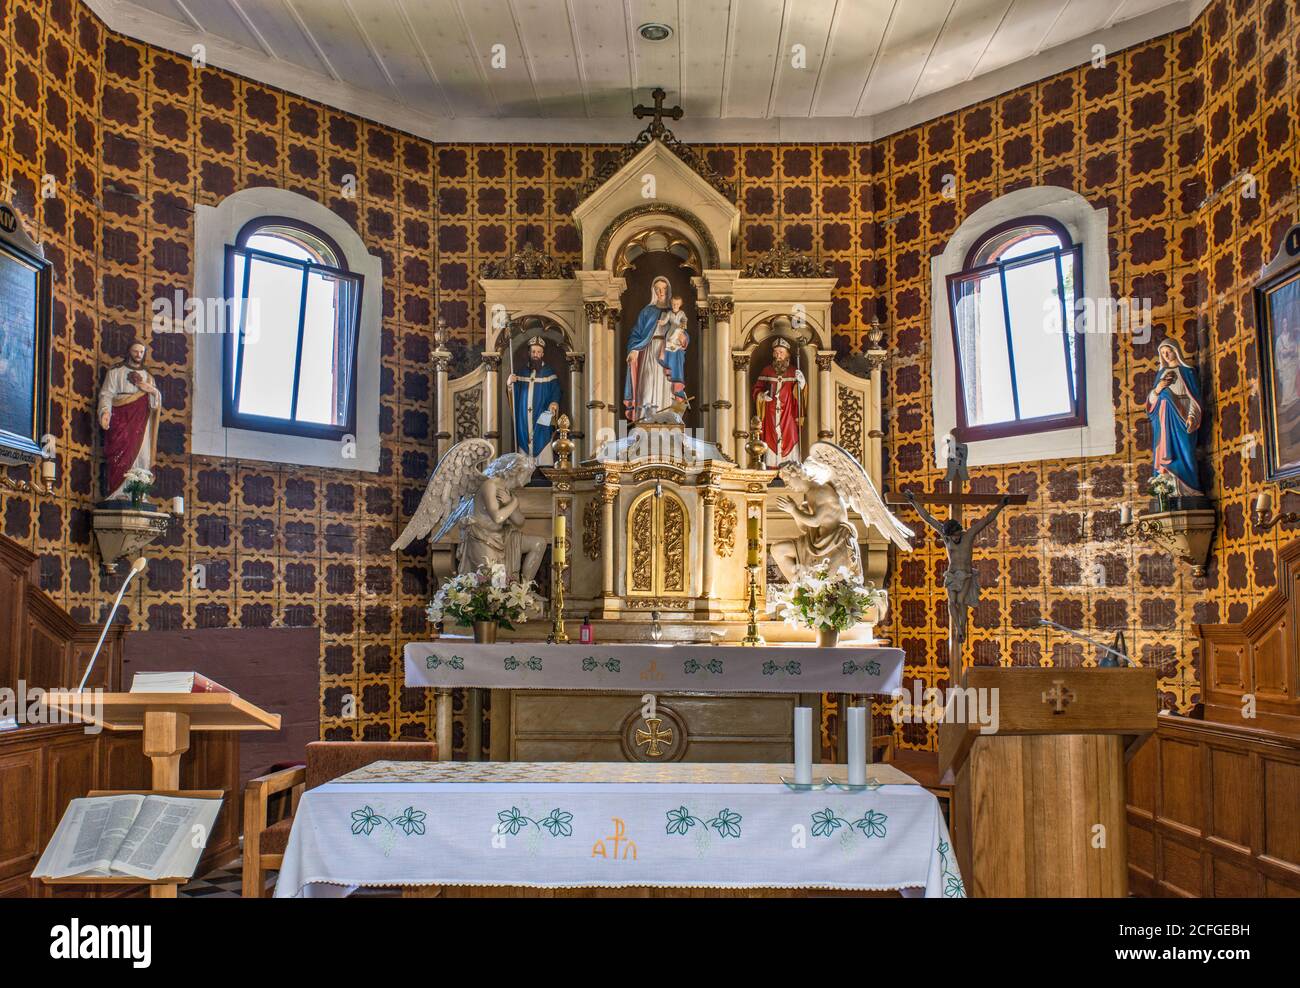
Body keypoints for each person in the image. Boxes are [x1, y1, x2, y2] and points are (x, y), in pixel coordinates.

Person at [906, 491, 1011, 658]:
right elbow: (927, 518)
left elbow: (986, 520)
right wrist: (913, 502)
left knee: (961, 601)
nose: (953, 539)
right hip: (953, 573)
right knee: (951, 602)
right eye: (950, 537)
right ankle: (958, 628)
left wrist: (1001, 505)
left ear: (959, 531)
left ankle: (962, 629)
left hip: (966, 574)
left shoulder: (968, 535)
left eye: (954, 536)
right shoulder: (947, 537)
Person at [97, 340, 161, 502]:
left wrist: (152, 390)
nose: (138, 355)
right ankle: (118, 493)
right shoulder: (115, 372)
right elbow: (106, 394)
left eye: (141, 352)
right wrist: (105, 412)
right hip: (120, 419)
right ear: (129, 352)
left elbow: (155, 405)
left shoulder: (149, 377)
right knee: (120, 455)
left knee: (141, 455)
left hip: (141, 422)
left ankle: (139, 493)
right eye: (135, 351)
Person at [624, 276, 688, 422]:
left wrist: (683, 338)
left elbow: (683, 332)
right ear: (653, 291)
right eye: (658, 289)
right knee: (647, 386)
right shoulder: (647, 312)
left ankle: (668, 422)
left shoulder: (675, 313)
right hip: (648, 351)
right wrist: (634, 350)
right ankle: (644, 421)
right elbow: (636, 334)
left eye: (664, 288)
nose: (661, 292)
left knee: (667, 388)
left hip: (669, 354)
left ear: (668, 290)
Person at [1144, 339, 1202, 496]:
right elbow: (1150, 405)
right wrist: (1158, 389)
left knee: (1185, 453)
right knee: (1164, 453)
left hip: (1182, 418)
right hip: (1163, 422)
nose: (1166, 355)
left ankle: (1189, 491)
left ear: (1175, 350)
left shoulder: (1188, 372)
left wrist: (1192, 416)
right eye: (1163, 353)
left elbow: (1194, 398)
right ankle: (1167, 490)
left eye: (1168, 351)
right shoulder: (1161, 375)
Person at [753, 336, 804, 467]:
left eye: (781, 352)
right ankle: (771, 468)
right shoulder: (767, 370)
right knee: (771, 437)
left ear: (787, 354)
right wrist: (762, 396)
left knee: (790, 436)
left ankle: (790, 468)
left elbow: (800, 394)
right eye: (776, 352)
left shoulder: (794, 371)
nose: (778, 355)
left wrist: (802, 383)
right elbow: (757, 389)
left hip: (789, 414)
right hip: (770, 413)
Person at [507, 336, 561, 458]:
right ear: (529, 353)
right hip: (523, 416)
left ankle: (544, 469)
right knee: (524, 441)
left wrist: (554, 402)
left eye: (538, 352)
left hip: (543, 413)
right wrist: (510, 384)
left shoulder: (549, 373)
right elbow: (514, 394)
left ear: (542, 354)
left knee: (542, 437)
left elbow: (556, 391)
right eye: (533, 352)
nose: (535, 354)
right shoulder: (521, 372)